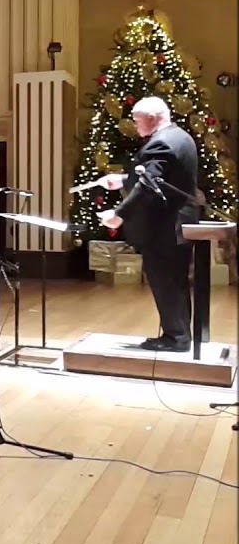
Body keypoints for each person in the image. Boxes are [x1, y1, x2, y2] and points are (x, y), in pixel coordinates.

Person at [98, 96, 200, 352]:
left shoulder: (160, 144)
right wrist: (124, 180)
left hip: (164, 226)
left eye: (136, 120)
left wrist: (118, 215)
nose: (134, 125)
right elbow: (163, 177)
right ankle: (179, 334)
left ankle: (176, 338)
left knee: (166, 283)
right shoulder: (180, 137)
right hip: (179, 222)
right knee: (175, 282)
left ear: (152, 118)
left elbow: (148, 187)